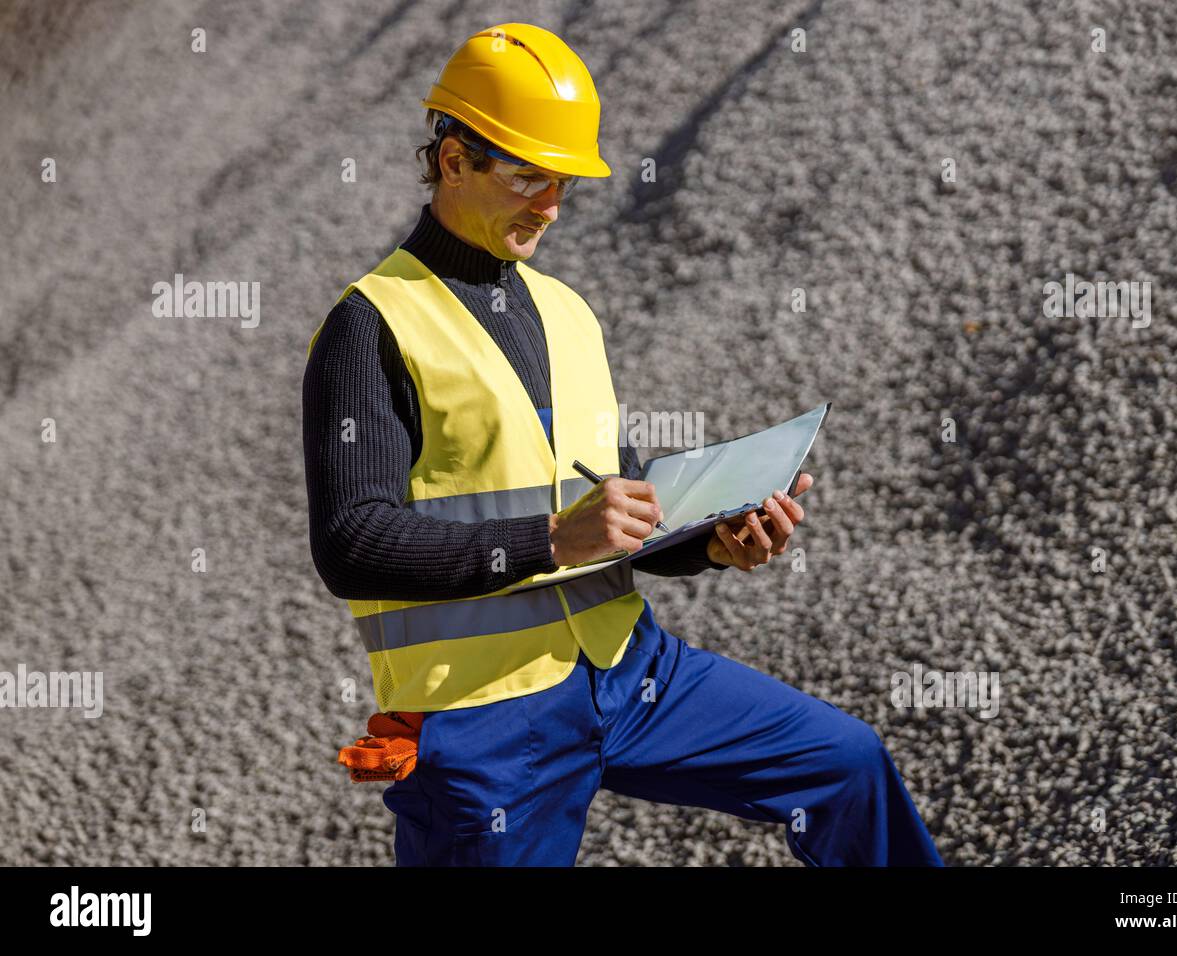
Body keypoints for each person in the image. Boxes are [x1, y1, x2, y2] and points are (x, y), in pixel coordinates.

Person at [301, 21, 942, 867]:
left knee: (846, 765)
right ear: (452, 159)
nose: (552, 204)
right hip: (485, 720)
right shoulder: (370, 325)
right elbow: (351, 543)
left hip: (632, 670)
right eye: (530, 176)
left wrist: (711, 542)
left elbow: (620, 508)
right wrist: (553, 540)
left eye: (564, 182)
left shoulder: (567, 313)